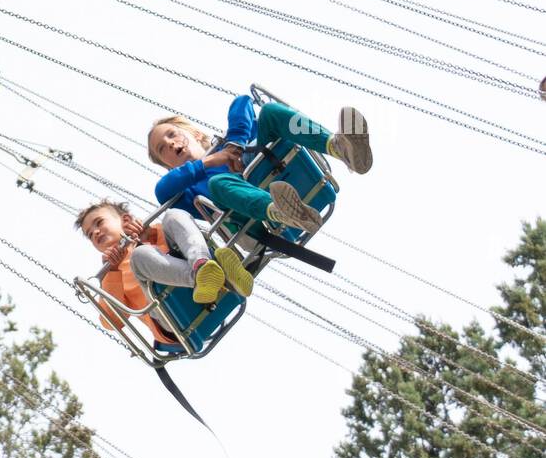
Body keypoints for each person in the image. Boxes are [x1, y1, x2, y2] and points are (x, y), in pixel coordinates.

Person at [147, 95, 372, 236]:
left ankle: (338, 148)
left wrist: (235, 145)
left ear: (194, 133)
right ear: (168, 165)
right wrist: (212, 161)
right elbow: (162, 190)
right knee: (218, 183)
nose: (169, 143)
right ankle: (283, 212)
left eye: (172, 134)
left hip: (263, 163)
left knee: (270, 112)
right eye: (161, 148)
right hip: (256, 214)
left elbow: (243, 102)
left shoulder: (232, 142)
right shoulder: (189, 191)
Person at [75, 200, 254, 346]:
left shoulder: (155, 232)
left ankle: (203, 266)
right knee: (141, 255)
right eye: (90, 234)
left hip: (198, 286)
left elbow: (179, 239)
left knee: (173, 215)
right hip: (173, 319)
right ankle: (211, 277)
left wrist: (149, 234)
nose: (96, 232)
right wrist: (111, 272)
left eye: (99, 223)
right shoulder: (110, 274)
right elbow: (111, 322)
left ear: (126, 220)